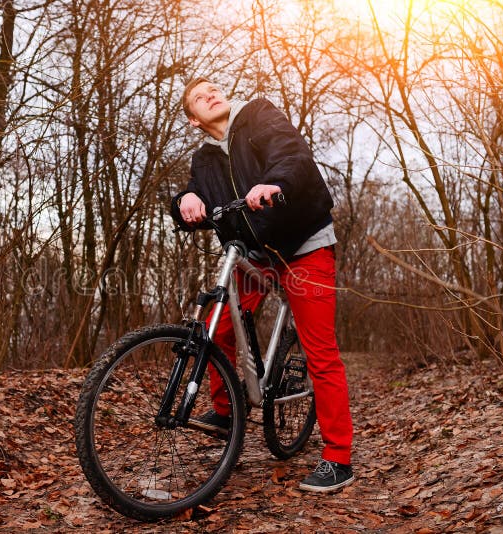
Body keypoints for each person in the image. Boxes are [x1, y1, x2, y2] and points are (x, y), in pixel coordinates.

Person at [170, 77, 354, 493]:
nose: (211, 95)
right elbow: (194, 197)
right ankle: (225, 412)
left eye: (214, 89)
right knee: (217, 329)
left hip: (304, 244)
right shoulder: (204, 159)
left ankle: (338, 458)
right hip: (254, 254)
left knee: (319, 348)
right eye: (200, 98)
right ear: (194, 120)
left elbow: (290, 155)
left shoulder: (259, 116)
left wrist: (275, 183)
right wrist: (183, 201)